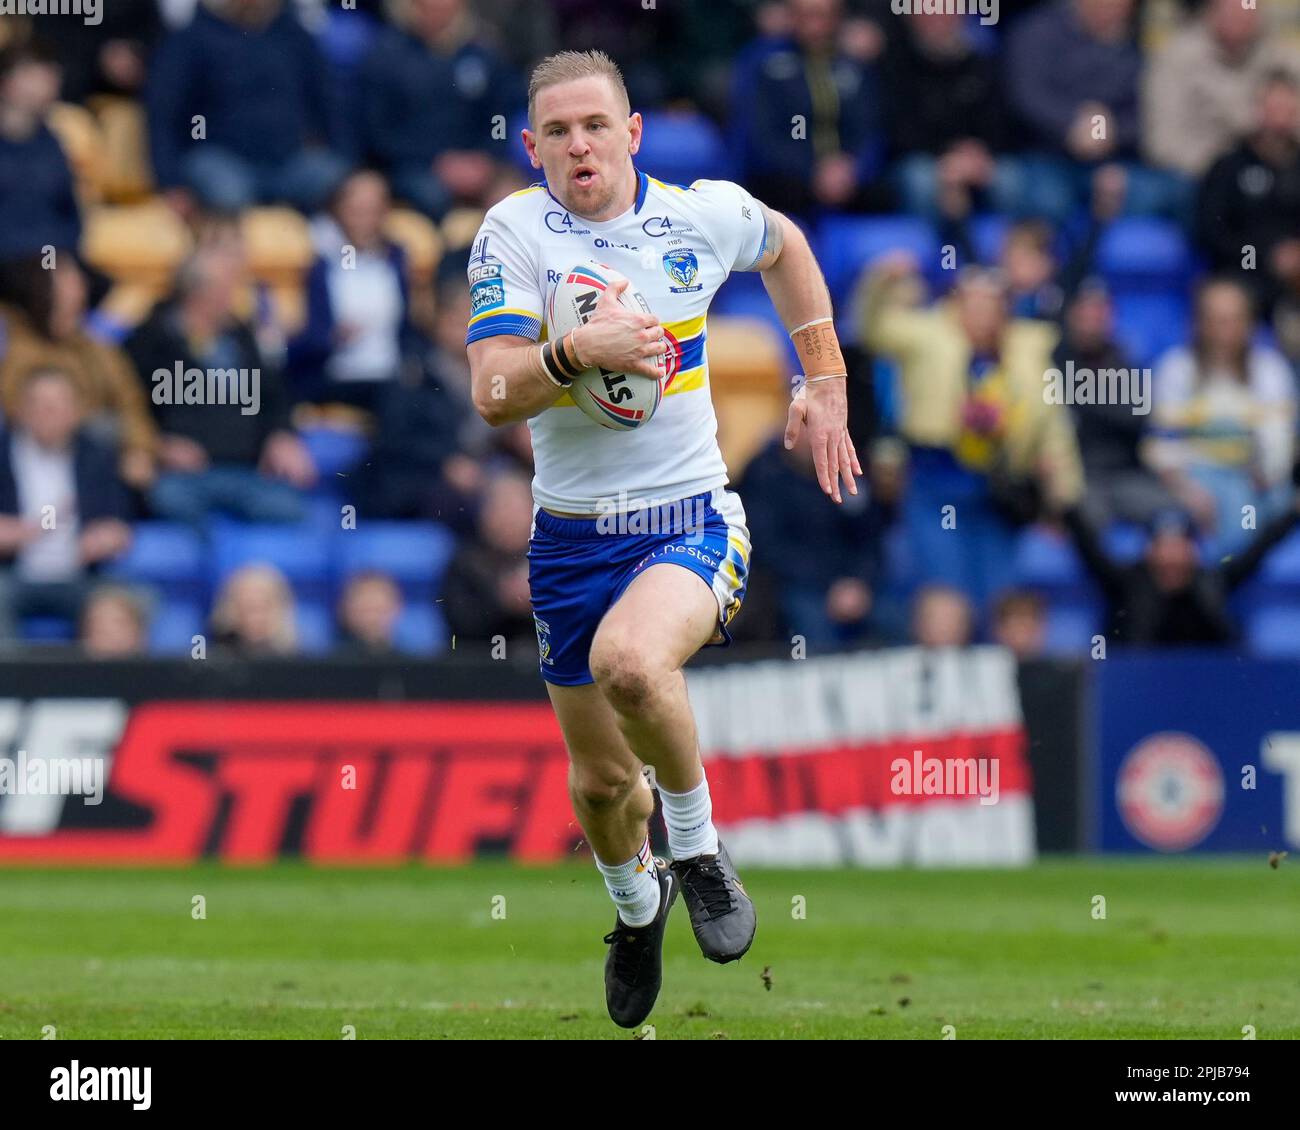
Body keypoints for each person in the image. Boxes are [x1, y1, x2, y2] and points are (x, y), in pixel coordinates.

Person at [464, 50, 860, 1028]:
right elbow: (491, 390)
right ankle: (638, 912)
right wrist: (571, 354)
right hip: (568, 543)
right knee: (602, 788)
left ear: (632, 132)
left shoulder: (697, 214)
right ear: (532, 146)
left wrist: (827, 380)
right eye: (556, 131)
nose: (578, 144)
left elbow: (788, 247)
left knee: (633, 664)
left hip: (687, 519)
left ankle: (698, 847)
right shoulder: (513, 232)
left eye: (595, 124)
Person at [1146, 278, 1296, 556]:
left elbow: (1279, 442)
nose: (1226, 330)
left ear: (1249, 323)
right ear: (1199, 323)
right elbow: (1162, 446)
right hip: (1193, 479)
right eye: (1217, 319)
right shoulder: (1175, 369)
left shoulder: (1271, 371)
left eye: (1234, 319)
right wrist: (1188, 491)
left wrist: (1266, 472)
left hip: (1254, 478)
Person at [0, 367, 134, 642]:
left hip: (79, 576)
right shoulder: (2, 453)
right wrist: (16, 533)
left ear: (76, 410)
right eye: (39, 404)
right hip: (13, 575)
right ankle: (12, 683)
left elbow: (121, 521)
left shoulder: (97, 454)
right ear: (21, 410)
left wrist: (109, 537)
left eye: (57, 404)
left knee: (118, 609)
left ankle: (101, 685)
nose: (48, 412)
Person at [1061, 497, 1300, 647]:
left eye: (1178, 546)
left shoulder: (1213, 582)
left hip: (1207, 690)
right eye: (1164, 545)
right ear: (1149, 551)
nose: (1171, 557)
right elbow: (1089, 549)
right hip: (1136, 689)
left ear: (1193, 551)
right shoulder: (1127, 584)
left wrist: (1293, 512)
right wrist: (1065, 505)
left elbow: (1257, 550)